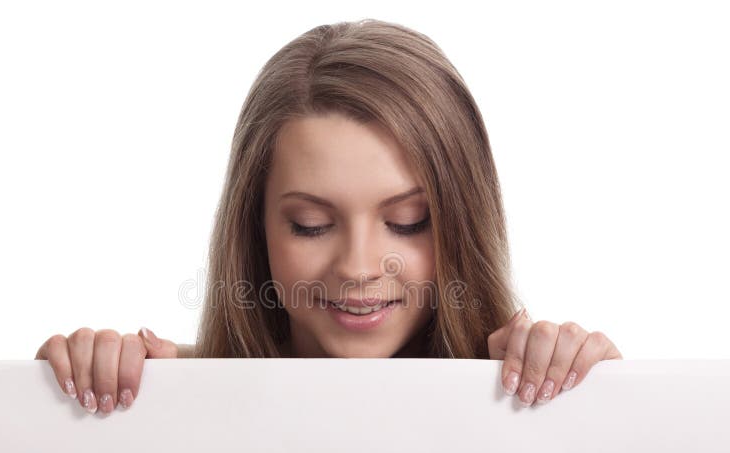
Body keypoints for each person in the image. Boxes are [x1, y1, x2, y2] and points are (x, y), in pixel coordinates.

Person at [35, 19, 622, 415]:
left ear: (461, 223)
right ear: (254, 228)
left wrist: (613, 406)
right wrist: (62, 401)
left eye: (409, 221)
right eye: (312, 225)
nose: (360, 268)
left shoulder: (530, 396)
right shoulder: (173, 396)